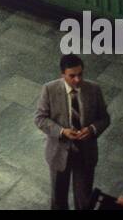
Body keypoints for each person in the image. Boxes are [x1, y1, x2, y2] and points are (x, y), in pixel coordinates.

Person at [34, 53, 111, 210]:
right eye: (72, 76)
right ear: (62, 75)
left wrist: (92, 129)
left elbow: (104, 118)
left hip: (85, 153)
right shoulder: (49, 89)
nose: (77, 79)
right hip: (59, 153)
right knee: (58, 199)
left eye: (80, 74)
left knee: (84, 199)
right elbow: (40, 118)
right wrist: (62, 131)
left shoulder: (94, 89)